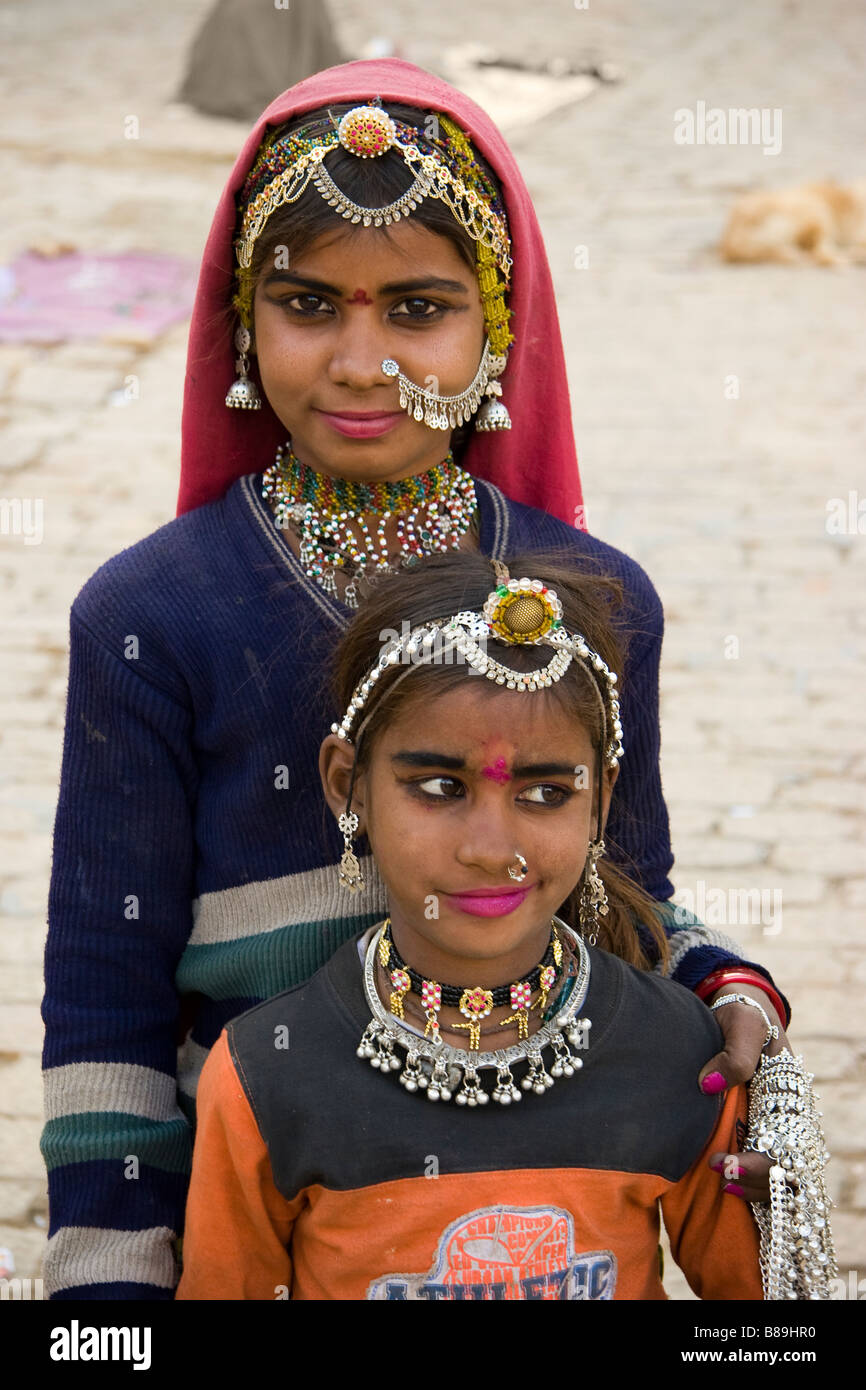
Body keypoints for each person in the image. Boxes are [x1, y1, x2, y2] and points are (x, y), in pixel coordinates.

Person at [41, 60, 791, 1302]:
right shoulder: (148, 620)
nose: (356, 359)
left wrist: (724, 984)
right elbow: (105, 995)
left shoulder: (595, 602)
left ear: (494, 328)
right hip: (266, 1213)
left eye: (415, 309)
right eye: (305, 303)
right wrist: (111, 1303)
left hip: (549, 1196)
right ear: (241, 321)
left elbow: (625, 892)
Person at [175, 552, 767, 1301]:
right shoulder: (267, 1075)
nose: (492, 850)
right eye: (437, 787)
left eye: (547, 793)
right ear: (345, 785)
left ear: (602, 799)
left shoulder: (680, 1054)